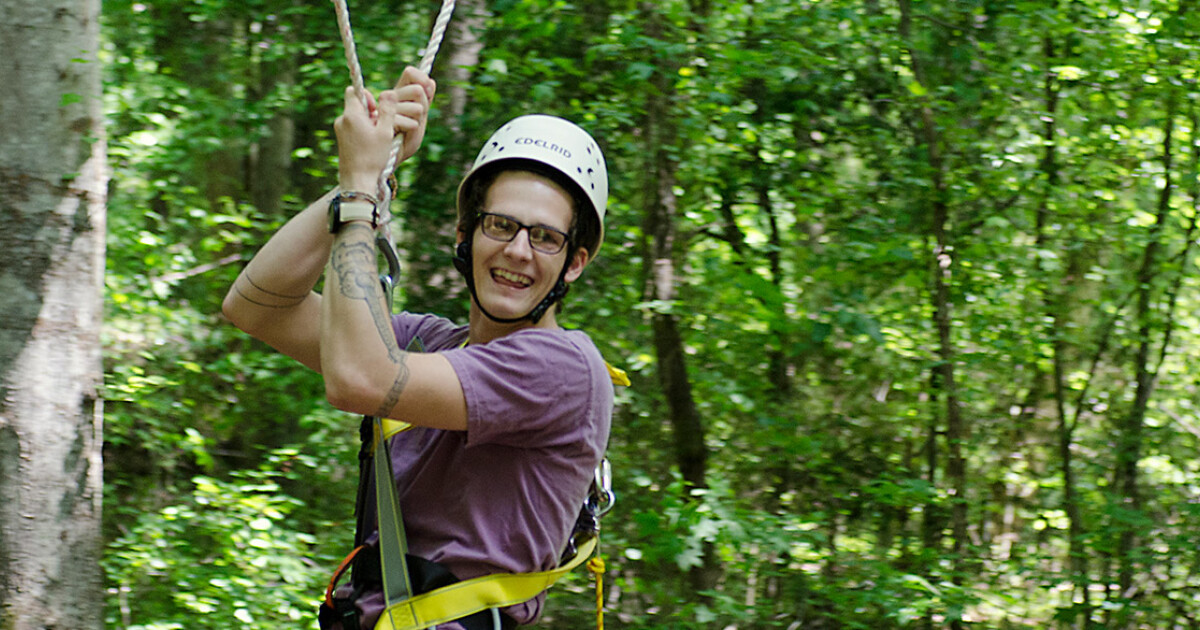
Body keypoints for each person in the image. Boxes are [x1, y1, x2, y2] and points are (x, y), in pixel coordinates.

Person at [222, 66, 614, 630]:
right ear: (465, 235)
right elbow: (257, 305)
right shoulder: (426, 344)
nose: (520, 251)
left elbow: (360, 380)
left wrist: (360, 185)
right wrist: (369, 178)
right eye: (501, 225)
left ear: (574, 263)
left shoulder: (563, 370)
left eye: (546, 237)